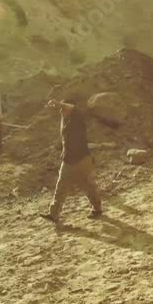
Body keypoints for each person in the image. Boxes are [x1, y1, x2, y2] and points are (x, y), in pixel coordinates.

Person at [42, 95, 102, 223]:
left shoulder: (78, 117)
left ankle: (97, 208)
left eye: (64, 108)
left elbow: (73, 108)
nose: (61, 111)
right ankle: (54, 214)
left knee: (88, 186)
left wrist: (58, 103)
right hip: (68, 159)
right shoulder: (65, 119)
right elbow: (65, 139)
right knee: (61, 187)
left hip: (82, 159)